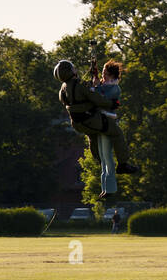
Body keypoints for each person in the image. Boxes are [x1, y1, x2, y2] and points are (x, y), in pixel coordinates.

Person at [54, 58, 139, 201]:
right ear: (70, 72)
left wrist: (94, 76)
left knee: (93, 140)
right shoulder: (80, 85)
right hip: (92, 120)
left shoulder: (63, 89)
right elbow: (96, 98)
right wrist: (112, 103)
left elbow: (88, 90)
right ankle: (123, 163)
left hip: (79, 123)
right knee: (117, 133)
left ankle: (100, 162)